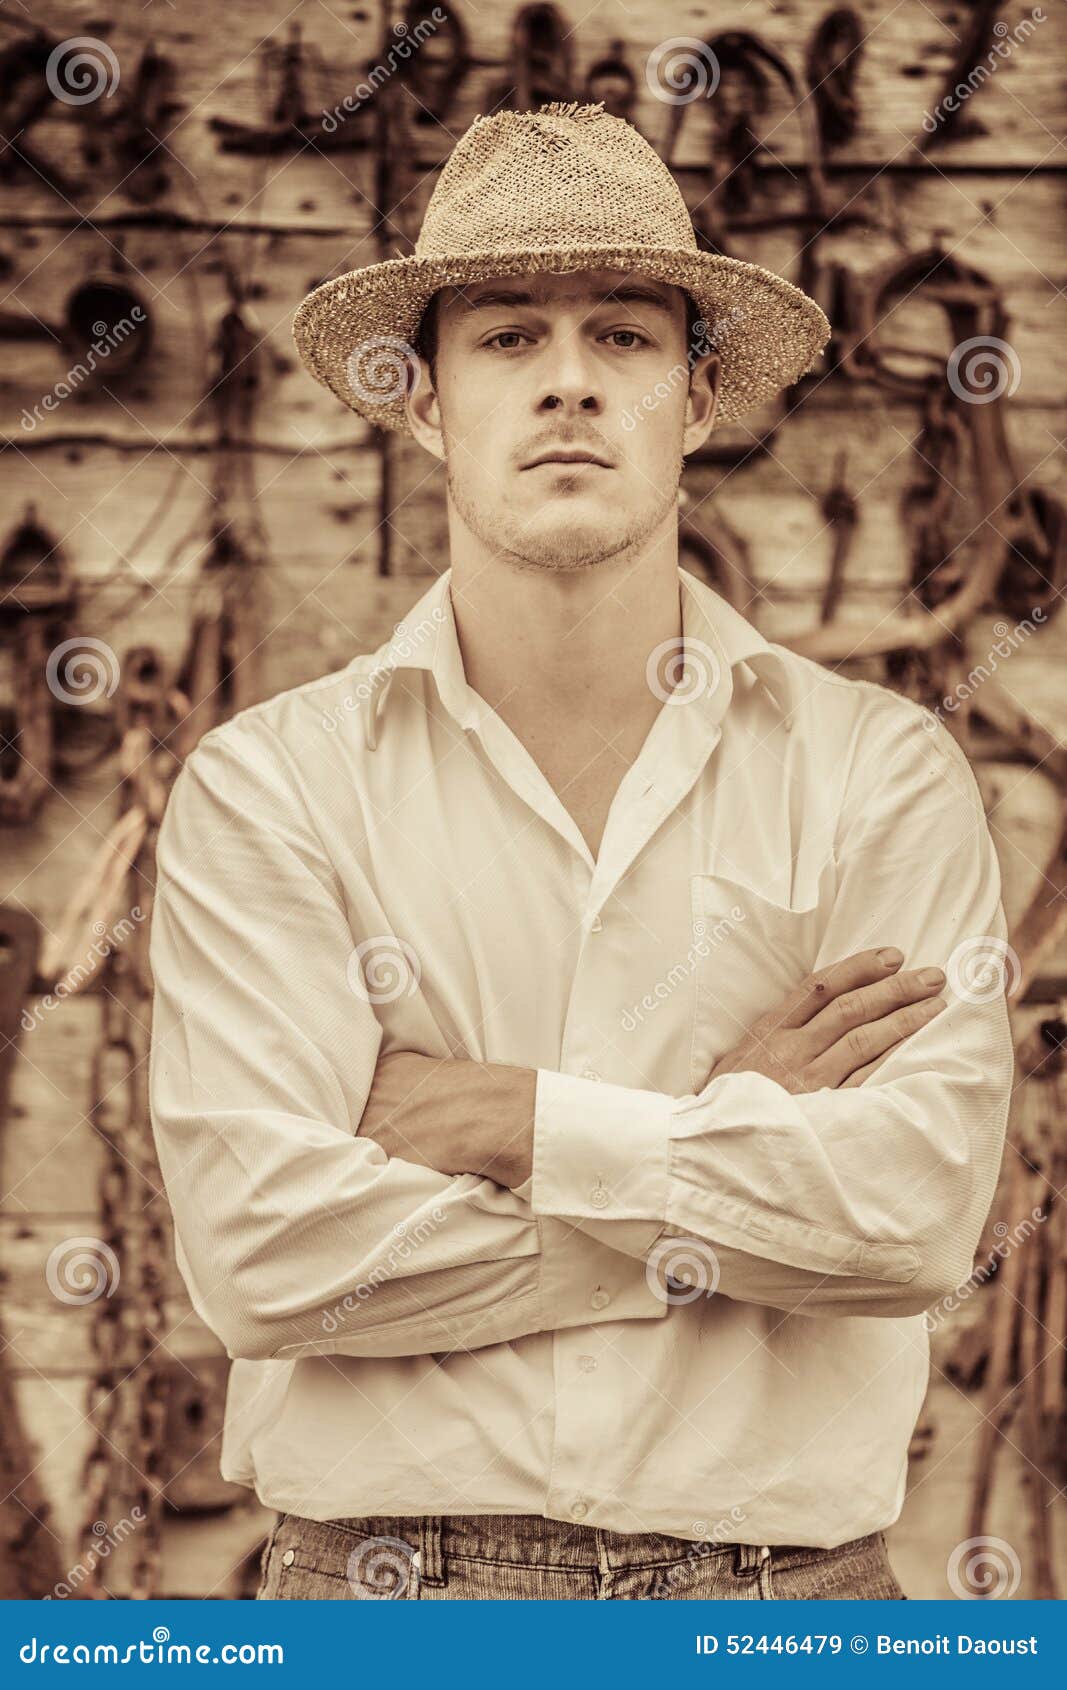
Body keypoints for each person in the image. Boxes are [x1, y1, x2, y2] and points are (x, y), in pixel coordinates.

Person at [148, 102, 1014, 1601]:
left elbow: (912, 1216)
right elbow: (265, 1257)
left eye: (620, 336)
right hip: (388, 1596)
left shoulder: (878, 776)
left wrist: (504, 1121)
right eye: (507, 338)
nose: (566, 382)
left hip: (787, 1596)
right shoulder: (268, 791)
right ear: (421, 401)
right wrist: (723, 1149)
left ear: (695, 395)